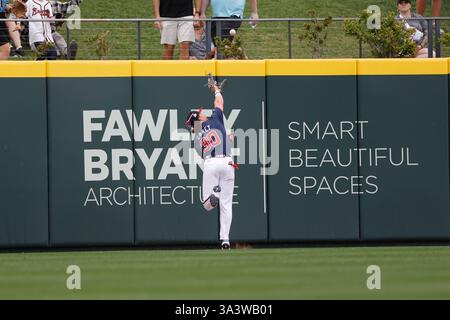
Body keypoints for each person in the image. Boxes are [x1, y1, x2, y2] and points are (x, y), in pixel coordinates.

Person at [184, 75, 235, 250]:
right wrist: (217, 90)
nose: (202, 112)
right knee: (227, 204)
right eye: (199, 113)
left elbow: (201, 154)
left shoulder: (197, 139)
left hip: (211, 164)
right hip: (228, 163)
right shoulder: (214, 118)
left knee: (206, 204)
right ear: (199, 118)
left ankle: (215, 195)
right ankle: (225, 239)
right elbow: (220, 103)